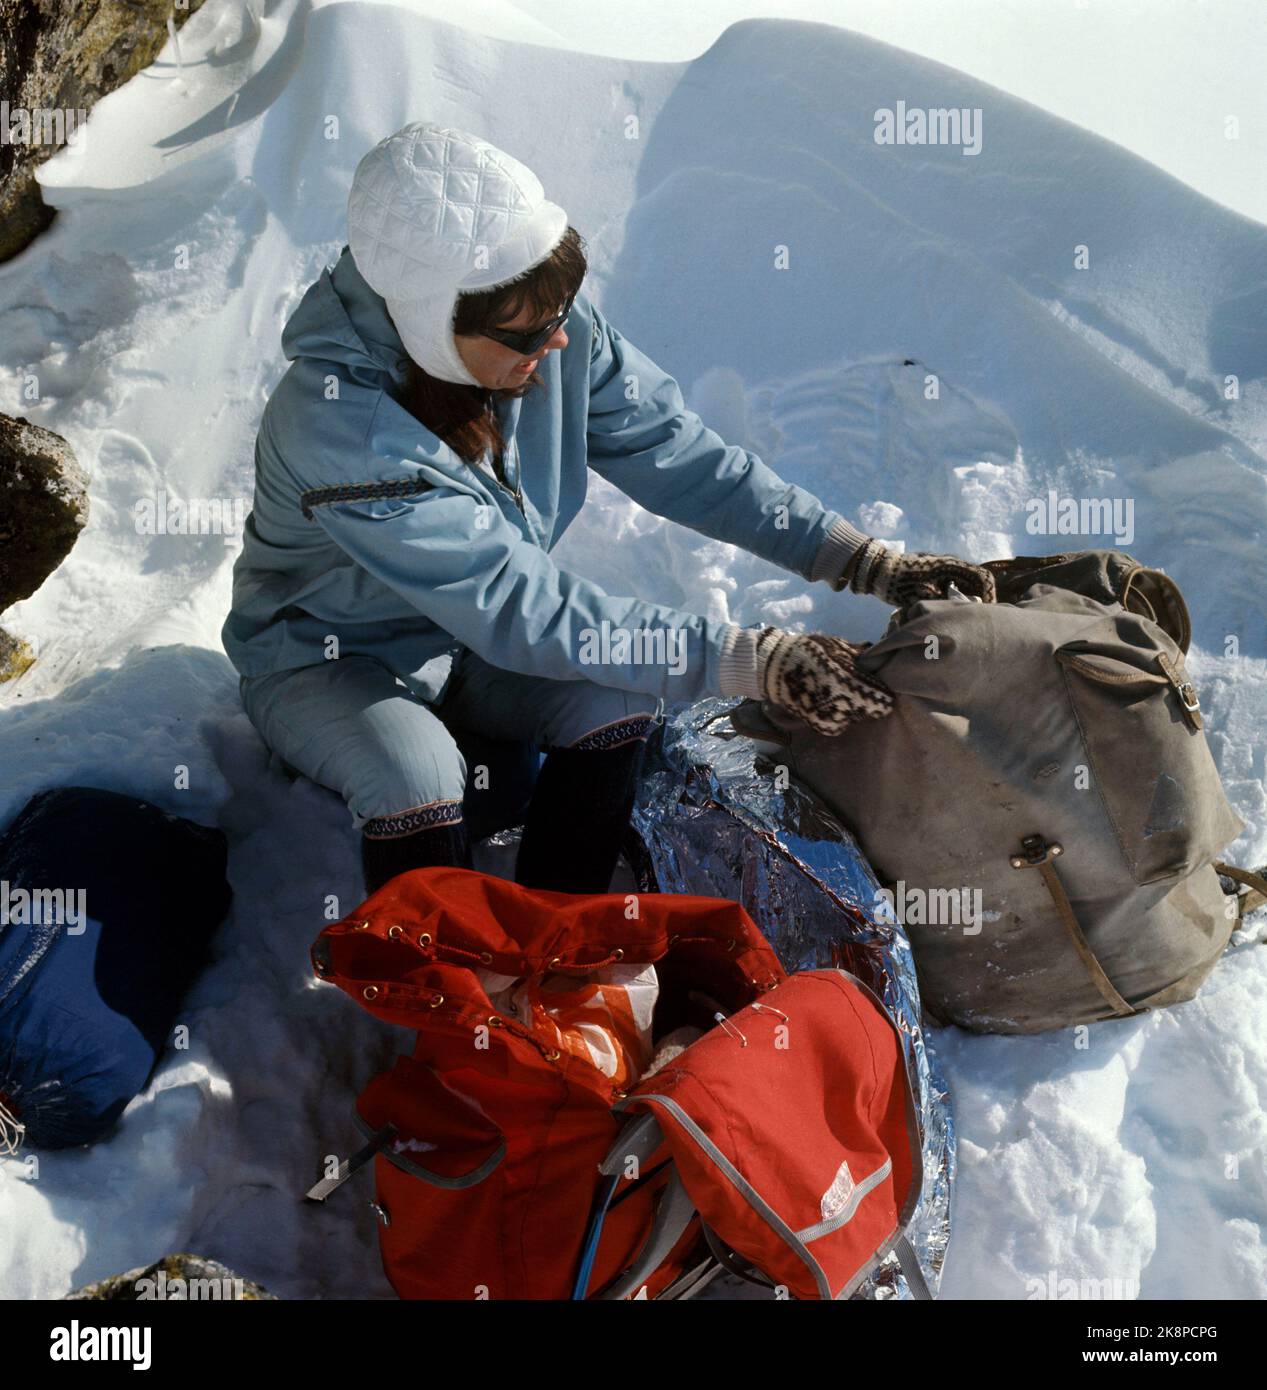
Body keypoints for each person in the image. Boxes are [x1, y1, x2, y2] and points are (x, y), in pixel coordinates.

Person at [220, 123, 994, 896]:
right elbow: (522, 612)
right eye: (528, 331)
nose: (557, 342)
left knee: (618, 693)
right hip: (333, 667)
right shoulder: (341, 426)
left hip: (466, 650)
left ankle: (563, 945)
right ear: (430, 320)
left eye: (563, 311)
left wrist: (863, 562)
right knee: (413, 771)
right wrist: (753, 660)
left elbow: (683, 457)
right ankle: (455, 1000)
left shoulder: (544, 327)